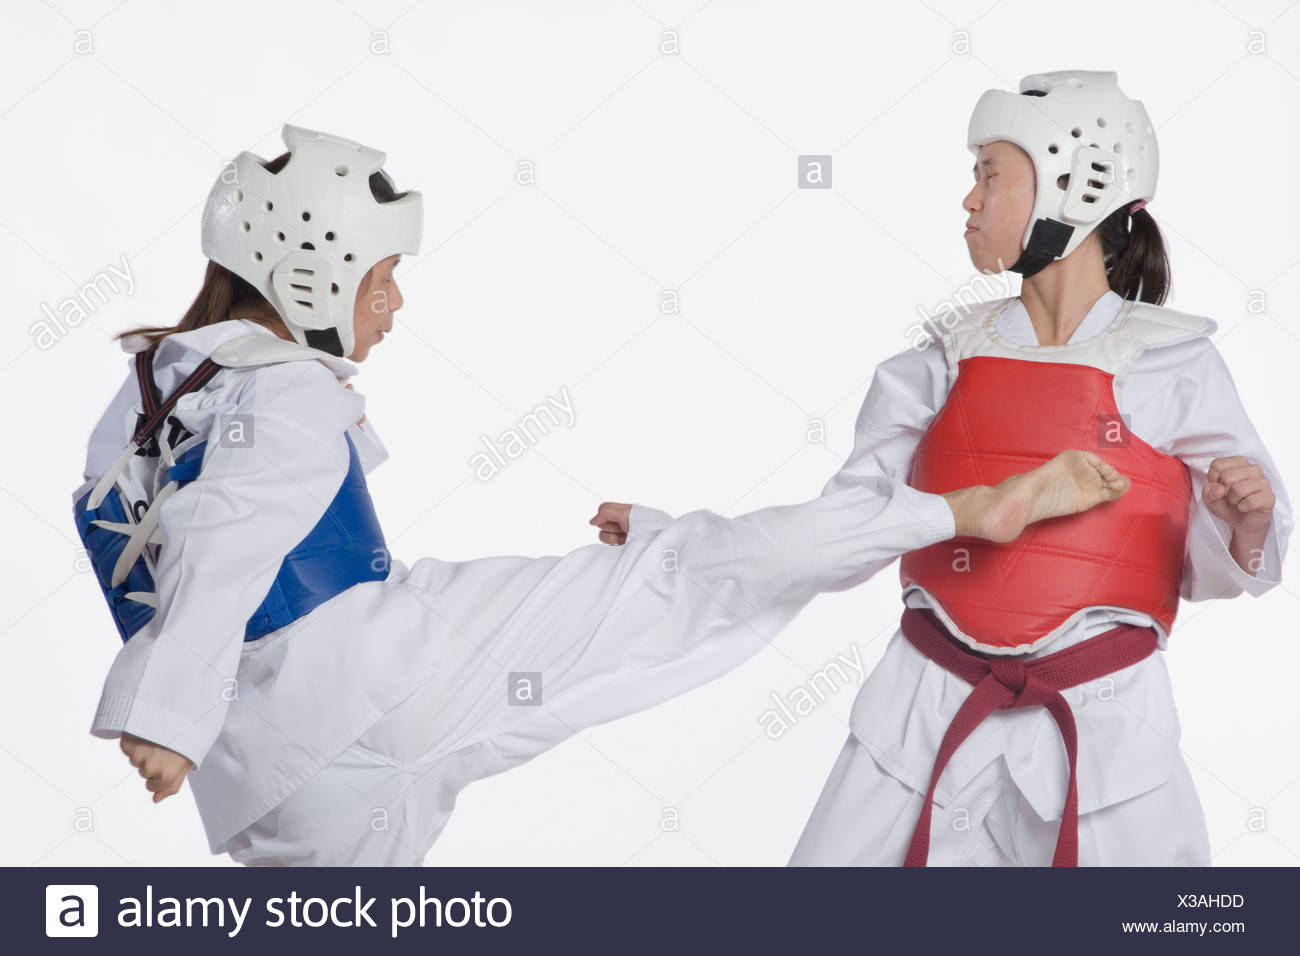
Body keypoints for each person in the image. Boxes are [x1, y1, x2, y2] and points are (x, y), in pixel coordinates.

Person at [76, 123, 1130, 867]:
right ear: (309, 268)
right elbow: (225, 543)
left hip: (273, 783)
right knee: (678, 579)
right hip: (374, 687)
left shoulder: (148, 397)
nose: (395, 302)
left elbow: (138, 550)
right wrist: (168, 714)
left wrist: (195, 720)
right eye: (381, 275)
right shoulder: (286, 394)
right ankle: (966, 510)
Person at [779, 71, 1292, 867]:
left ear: (1072, 183)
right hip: (925, 703)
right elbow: (842, 526)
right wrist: (686, 545)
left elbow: (1228, 558)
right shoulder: (938, 364)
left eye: (989, 173)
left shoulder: (1174, 364)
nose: (969, 200)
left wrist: (1246, 520)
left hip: (1109, 719)